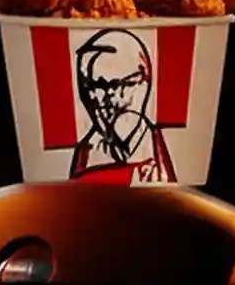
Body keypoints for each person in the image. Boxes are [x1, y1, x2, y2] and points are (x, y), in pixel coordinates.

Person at [69, 29, 176, 184]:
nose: (96, 99)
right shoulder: (85, 154)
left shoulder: (161, 147)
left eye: (107, 85)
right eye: (88, 88)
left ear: (141, 82)